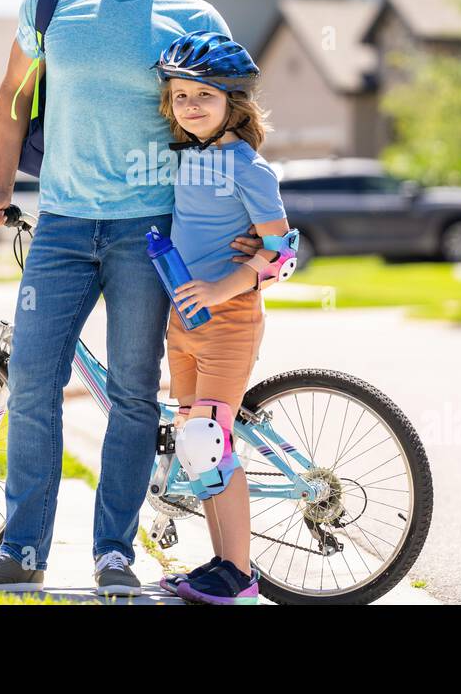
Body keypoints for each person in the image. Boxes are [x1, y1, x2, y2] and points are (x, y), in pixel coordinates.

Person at [0, 0, 265, 597]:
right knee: (31, 384)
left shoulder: (192, 16)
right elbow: (9, 101)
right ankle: (22, 550)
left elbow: (235, 120)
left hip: (149, 233)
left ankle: (113, 556)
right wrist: (1, 187)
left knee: (131, 395)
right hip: (61, 222)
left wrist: (254, 220)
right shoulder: (53, 2)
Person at [150, 30, 298, 605]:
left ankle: (239, 573)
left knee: (210, 443)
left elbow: (282, 252)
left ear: (233, 102)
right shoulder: (191, 156)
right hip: (184, 323)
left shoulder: (247, 166)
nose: (190, 106)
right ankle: (218, 563)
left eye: (204, 96)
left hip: (228, 320)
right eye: (181, 96)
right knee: (196, 447)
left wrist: (222, 288)